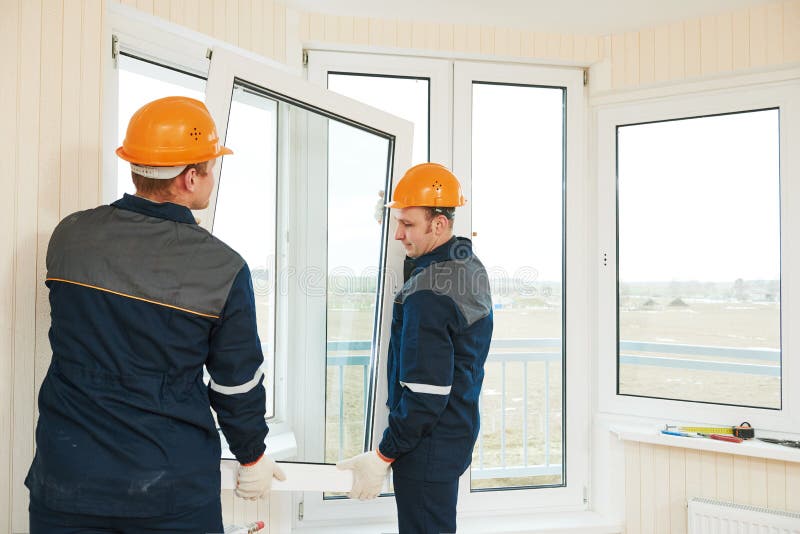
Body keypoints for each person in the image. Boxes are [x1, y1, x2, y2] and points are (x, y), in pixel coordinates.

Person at [25, 96, 284, 533]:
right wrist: (252, 454)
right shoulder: (221, 268)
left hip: (67, 481)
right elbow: (234, 385)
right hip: (170, 493)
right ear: (188, 178)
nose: (212, 176)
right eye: (209, 167)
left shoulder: (70, 236)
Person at [337, 163, 493, 533]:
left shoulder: (430, 292)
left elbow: (425, 394)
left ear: (438, 225)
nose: (397, 235)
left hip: (428, 446)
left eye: (407, 224)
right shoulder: (468, 266)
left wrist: (383, 455)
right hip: (455, 430)